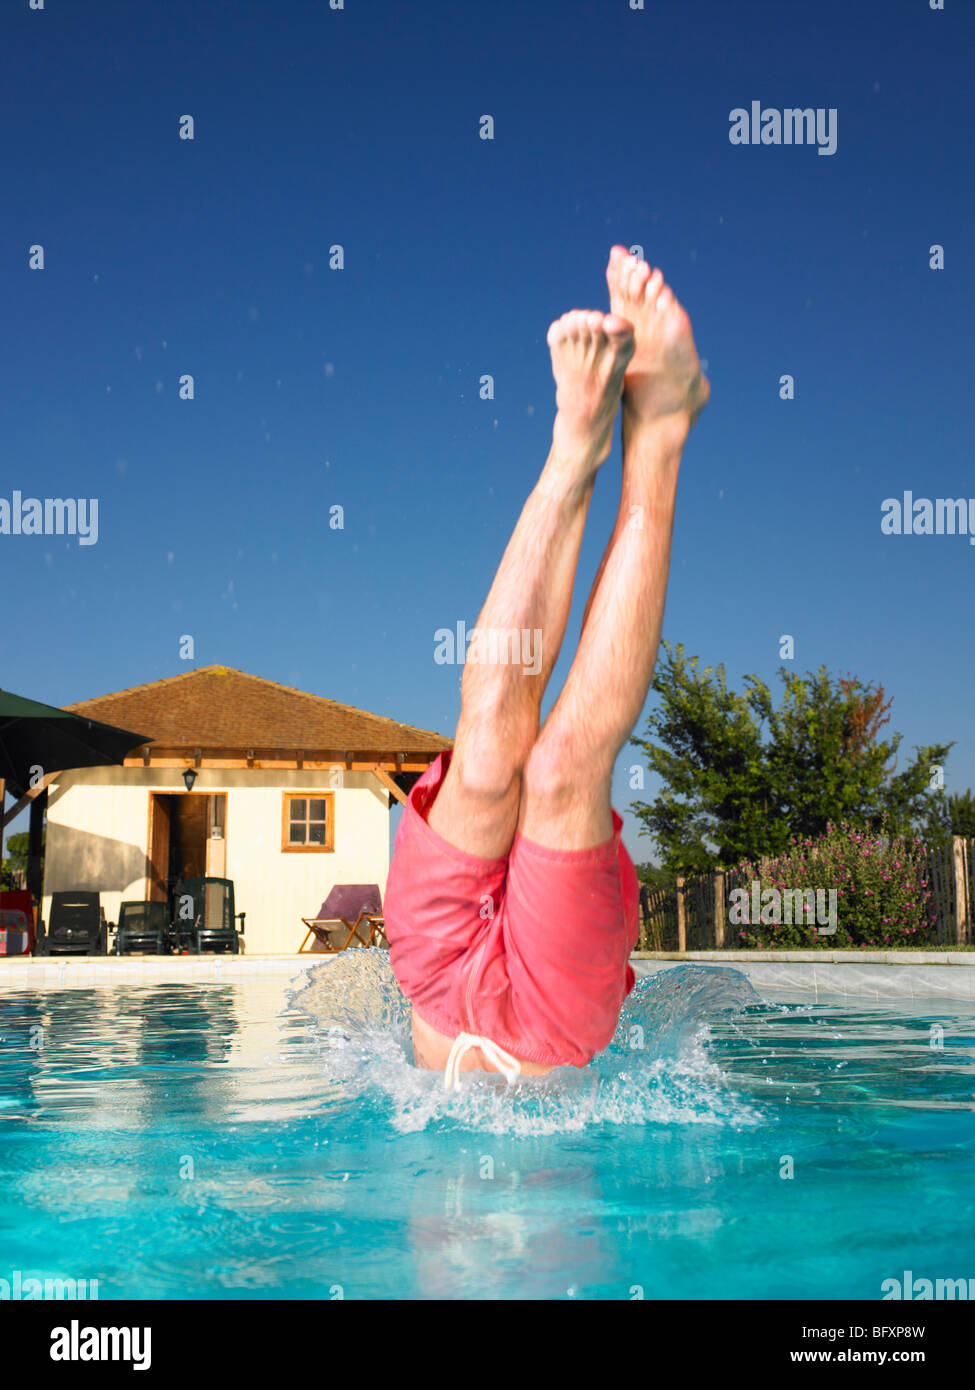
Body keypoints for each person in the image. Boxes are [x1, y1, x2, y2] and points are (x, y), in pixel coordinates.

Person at [384, 247, 710, 1089]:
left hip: (431, 971)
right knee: (562, 771)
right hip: (549, 1016)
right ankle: (660, 424)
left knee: (490, 742)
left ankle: (574, 446)